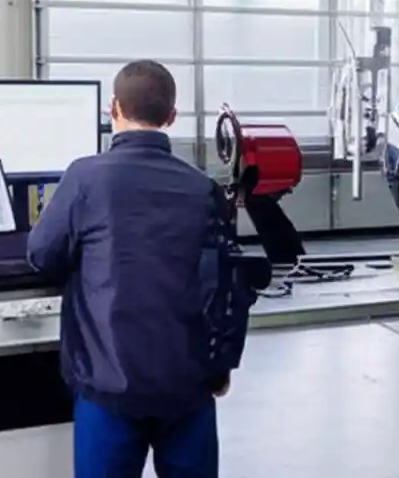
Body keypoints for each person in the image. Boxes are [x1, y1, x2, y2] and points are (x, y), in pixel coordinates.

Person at [28, 60, 251, 478]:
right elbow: (228, 284)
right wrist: (221, 367)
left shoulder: (85, 178)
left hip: (108, 386)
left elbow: (41, 255)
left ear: (113, 108)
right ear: (171, 116)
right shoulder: (202, 187)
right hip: (189, 385)